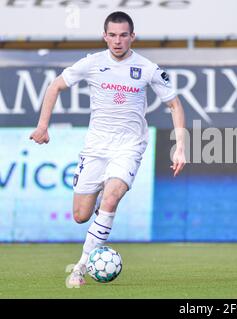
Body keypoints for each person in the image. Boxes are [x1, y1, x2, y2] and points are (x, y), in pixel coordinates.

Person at [30, 11, 186, 286]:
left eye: (123, 35)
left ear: (132, 37)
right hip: (95, 148)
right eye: (112, 35)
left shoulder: (147, 68)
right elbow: (55, 86)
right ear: (105, 36)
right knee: (80, 216)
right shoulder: (92, 63)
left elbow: (174, 105)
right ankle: (102, 197)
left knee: (112, 198)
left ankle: (81, 266)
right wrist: (43, 126)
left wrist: (181, 147)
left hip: (129, 146)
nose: (118, 41)